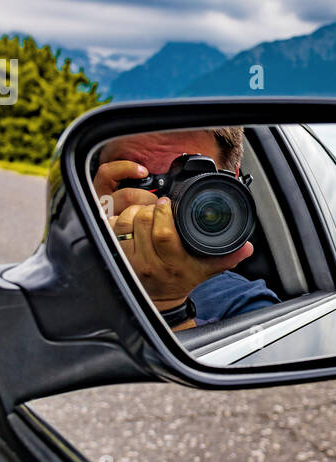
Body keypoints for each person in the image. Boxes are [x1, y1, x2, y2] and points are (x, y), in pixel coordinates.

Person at [93, 127, 280, 331]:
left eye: (190, 178)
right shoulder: (59, 272)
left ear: (232, 181)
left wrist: (167, 305)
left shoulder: (245, 305)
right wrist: (90, 232)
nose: (160, 205)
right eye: (135, 180)